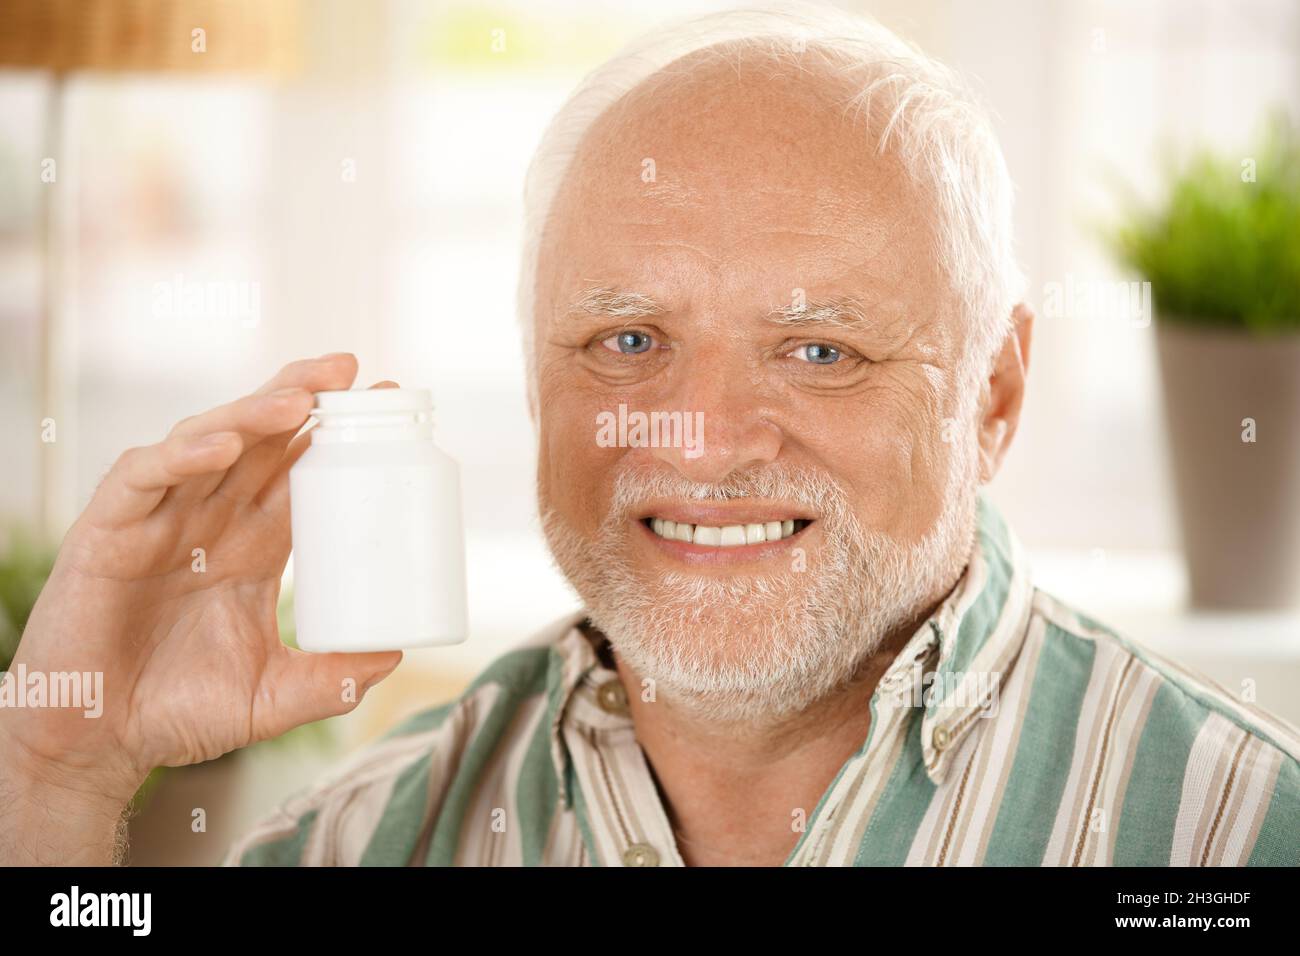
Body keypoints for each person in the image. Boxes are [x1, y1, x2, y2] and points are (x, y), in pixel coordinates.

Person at [2, 3, 1296, 867]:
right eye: (628, 341)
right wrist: (58, 772)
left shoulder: (1231, 836)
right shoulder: (362, 841)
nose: (707, 437)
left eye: (819, 350)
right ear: (530, 378)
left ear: (996, 393)